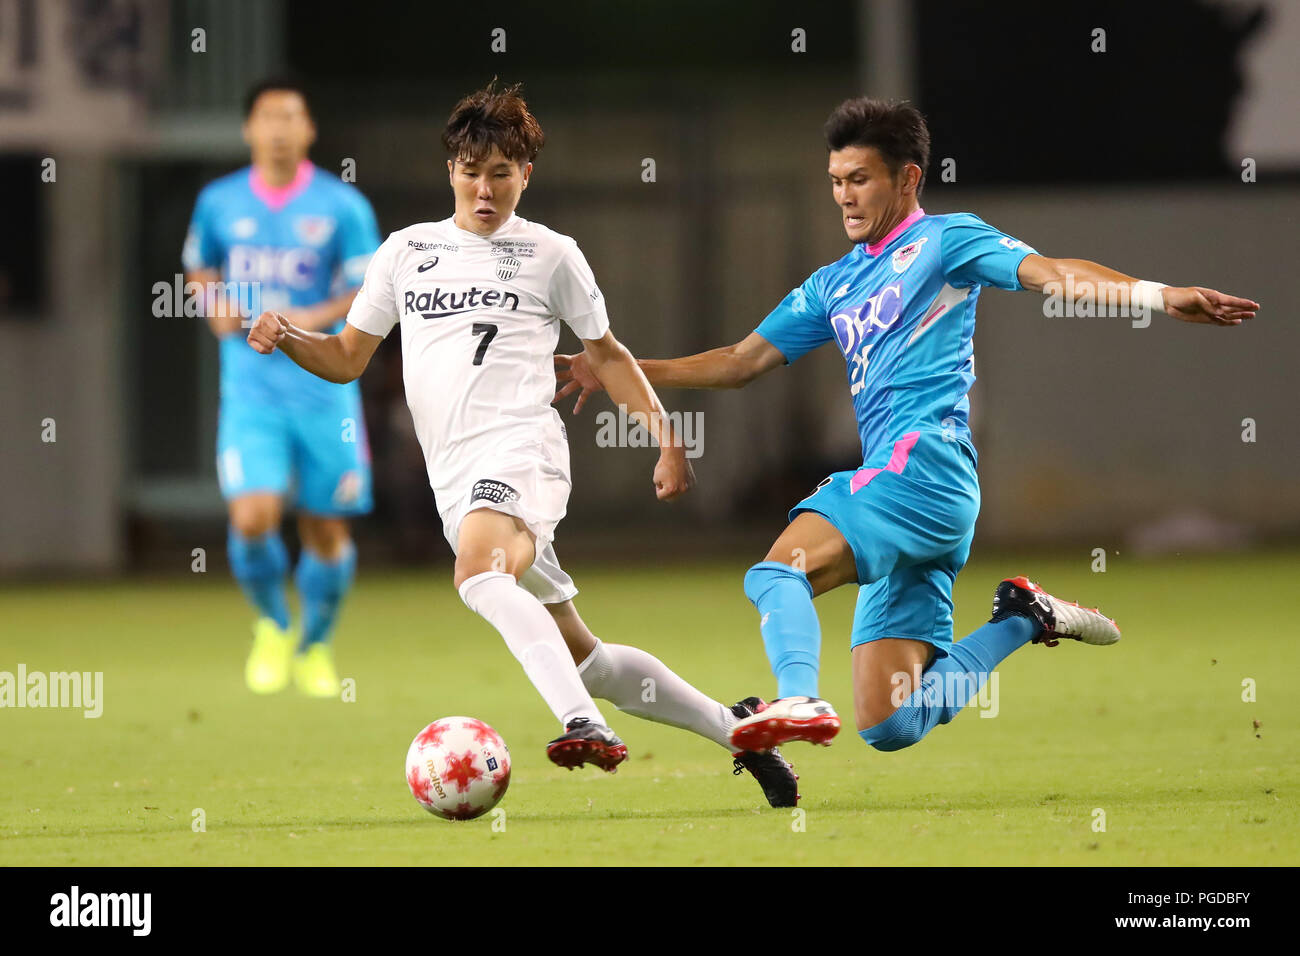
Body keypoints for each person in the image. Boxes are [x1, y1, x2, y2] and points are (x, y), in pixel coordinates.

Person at [556, 96, 1259, 762]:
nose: (844, 196)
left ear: (908, 177)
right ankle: (1025, 616)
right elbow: (741, 362)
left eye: (859, 179)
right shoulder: (832, 283)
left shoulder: (946, 241)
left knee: (776, 573)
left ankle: (798, 700)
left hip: (919, 467)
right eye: (835, 181)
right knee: (890, 722)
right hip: (920, 501)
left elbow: (1052, 274)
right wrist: (617, 367)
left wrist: (1158, 296)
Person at [244, 81, 799, 806]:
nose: (485, 189)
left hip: (523, 454)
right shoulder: (406, 253)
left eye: (501, 174)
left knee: (477, 572)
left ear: (524, 177)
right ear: (451, 170)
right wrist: (288, 337)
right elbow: (348, 356)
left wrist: (665, 437)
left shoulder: (551, 254)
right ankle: (740, 730)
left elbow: (607, 356)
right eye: (472, 172)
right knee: (587, 656)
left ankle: (581, 723)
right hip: (456, 476)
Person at [183, 78, 382, 697]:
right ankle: (272, 624)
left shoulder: (342, 206)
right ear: (248, 129)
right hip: (251, 393)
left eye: (290, 117)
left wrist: (293, 326)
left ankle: (315, 645)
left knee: (325, 529)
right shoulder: (218, 201)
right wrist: (212, 300)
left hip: (324, 388)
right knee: (253, 515)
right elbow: (200, 266)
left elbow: (365, 289)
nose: (277, 128)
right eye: (267, 117)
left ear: (309, 130)